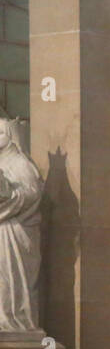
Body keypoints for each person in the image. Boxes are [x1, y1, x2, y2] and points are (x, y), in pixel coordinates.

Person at [0, 115, 43, 332]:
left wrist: (7, 196)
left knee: (11, 285)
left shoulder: (21, 163)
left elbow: (32, 194)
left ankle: (14, 321)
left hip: (14, 235)